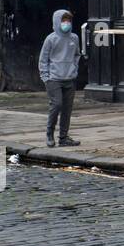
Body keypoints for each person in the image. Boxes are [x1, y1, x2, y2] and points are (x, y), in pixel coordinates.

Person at [39, 9, 81, 148]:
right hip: (54, 79)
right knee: (56, 105)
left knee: (67, 109)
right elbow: (43, 59)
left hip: (69, 78)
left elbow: (77, 54)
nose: (66, 23)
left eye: (68, 20)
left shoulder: (74, 38)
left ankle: (63, 138)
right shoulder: (51, 39)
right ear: (57, 21)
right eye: (63, 20)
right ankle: (49, 134)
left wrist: (74, 68)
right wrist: (46, 77)